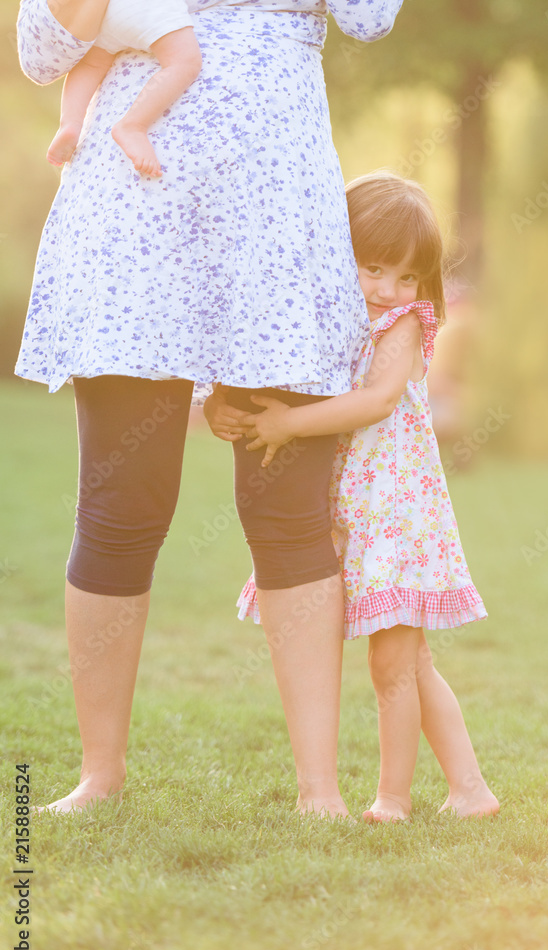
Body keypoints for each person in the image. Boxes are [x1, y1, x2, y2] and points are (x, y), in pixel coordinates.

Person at [15, 0, 404, 818]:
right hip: (134, 219)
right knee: (121, 506)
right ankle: (98, 777)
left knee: (289, 507)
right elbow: (43, 54)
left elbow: (370, 18)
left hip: (274, 222)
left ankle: (319, 793)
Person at [206, 174, 499, 822]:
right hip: (358, 513)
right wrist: (219, 402)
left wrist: (289, 424)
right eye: (373, 269)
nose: (387, 289)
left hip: (395, 516)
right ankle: (470, 790)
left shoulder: (402, 323)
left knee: (394, 663)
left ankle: (393, 797)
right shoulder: (328, 315)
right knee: (409, 663)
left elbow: (377, 401)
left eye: (406, 276)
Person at [47, 0, 202, 177]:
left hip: (107, 9)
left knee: (92, 64)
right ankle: (133, 125)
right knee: (185, 62)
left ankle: (70, 123)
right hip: (147, 7)